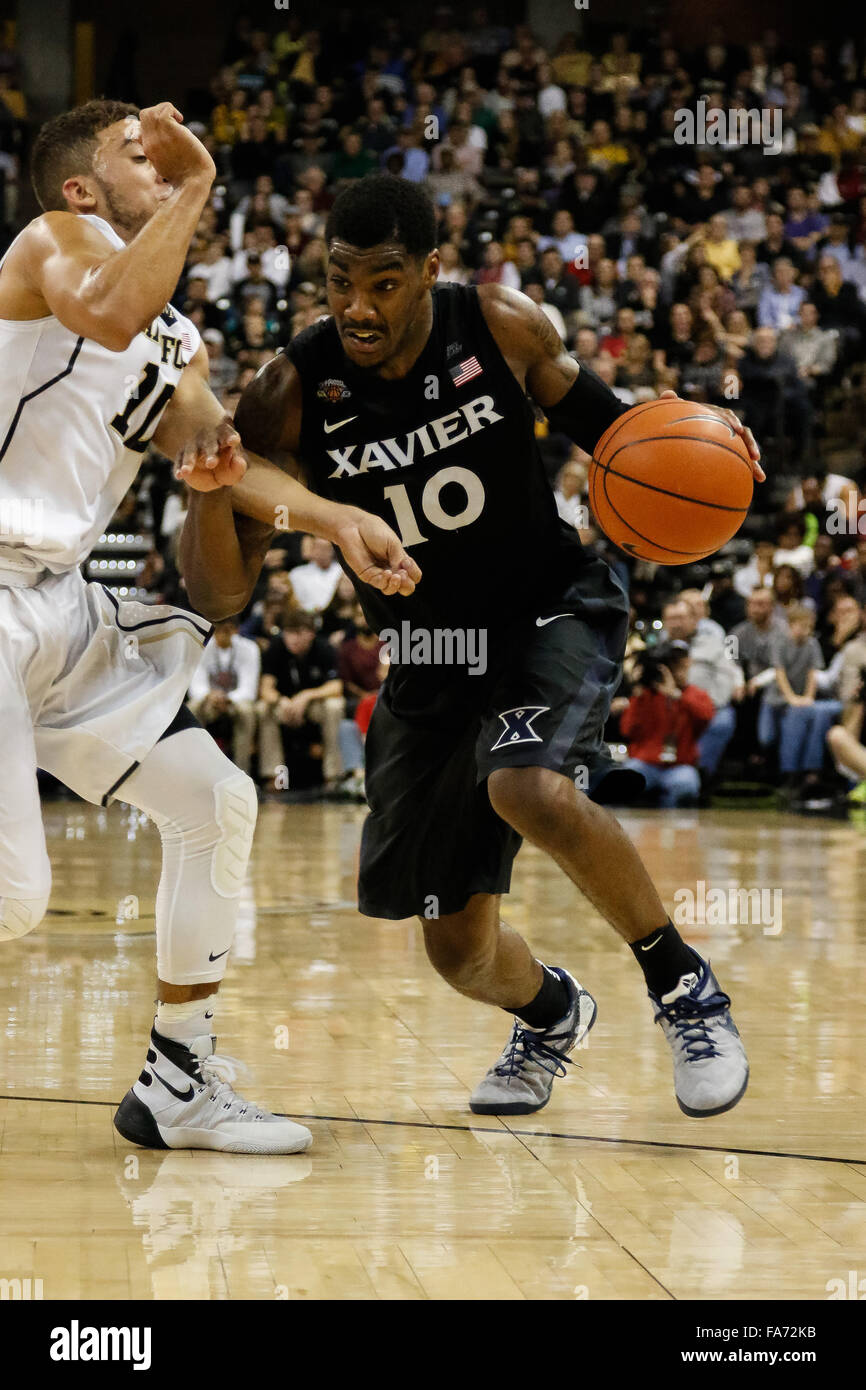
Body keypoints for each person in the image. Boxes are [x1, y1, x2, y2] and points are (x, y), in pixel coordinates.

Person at [180, 174, 764, 1120]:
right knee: (456, 951)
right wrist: (210, 490)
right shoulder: (291, 390)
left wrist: (707, 441)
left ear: (430, 272)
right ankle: (552, 1013)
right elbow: (220, 593)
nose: (357, 307)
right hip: (426, 659)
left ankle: (683, 984)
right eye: (338, 282)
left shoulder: (498, 323)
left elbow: (618, 433)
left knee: (526, 783)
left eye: (383, 282)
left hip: (548, 606)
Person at [0, 101, 417, 1155]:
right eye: (140, 156)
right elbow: (100, 308)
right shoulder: (55, 245)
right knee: (13, 895)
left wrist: (336, 520)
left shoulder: (168, 334)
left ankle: (177, 1080)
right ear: (84, 190)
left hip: (58, 606)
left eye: (168, 158)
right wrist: (196, 188)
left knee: (215, 800)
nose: (165, 162)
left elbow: (219, 451)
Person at [621, 643, 715, 808]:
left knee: (686, 786)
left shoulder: (695, 694)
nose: (674, 669)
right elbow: (627, 730)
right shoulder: (646, 695)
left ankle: (672, 830)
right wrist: (637, 693)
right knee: (622, 780)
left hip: (679, 766)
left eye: (677, 663)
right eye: (670, 664)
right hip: (645, 764)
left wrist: (676, 695)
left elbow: (706, 716)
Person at [187, 616, 260, 773]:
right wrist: (210, 695)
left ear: (236, 630)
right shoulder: (201, 647)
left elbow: (249, 688)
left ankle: (242, 770)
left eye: (226, 631)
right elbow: (196, 684)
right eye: (217, 631)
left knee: (247, 711)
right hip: (209, 700)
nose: (222, 635)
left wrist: (227, 698)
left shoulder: (250, 648)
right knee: (191, 708)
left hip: (235, 701)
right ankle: (195, 769)